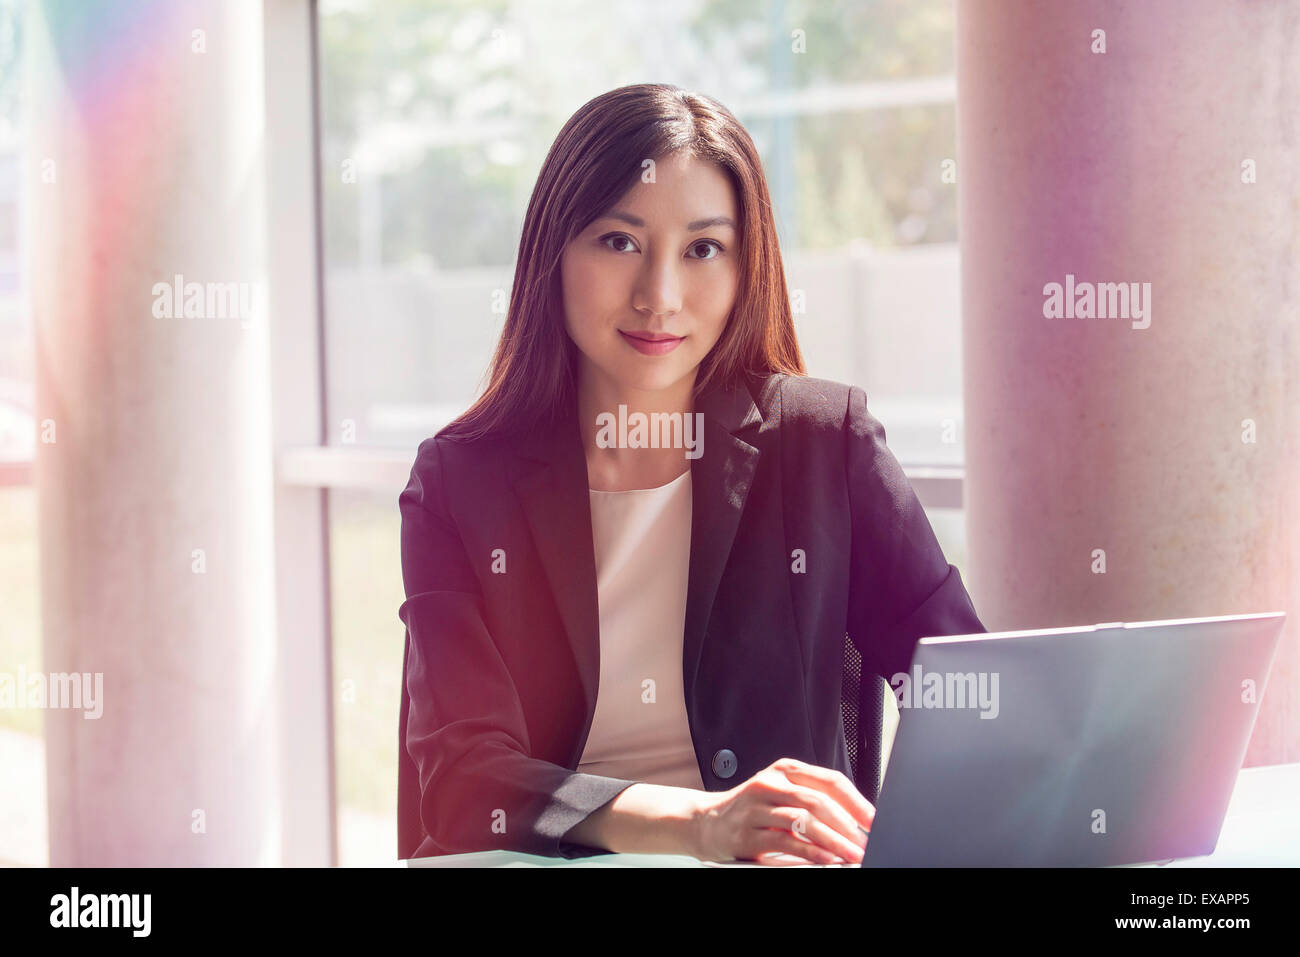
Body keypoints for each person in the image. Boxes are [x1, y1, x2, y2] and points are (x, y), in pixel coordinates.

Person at [397, 83, 985, 866]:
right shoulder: (459, 482)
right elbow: (463, 775)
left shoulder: (824, 445)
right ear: (553, 253)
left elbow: (964, 688)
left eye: (702, 249)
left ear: (747, 268)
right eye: (619, 241)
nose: (660, 297)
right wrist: (700, 823)